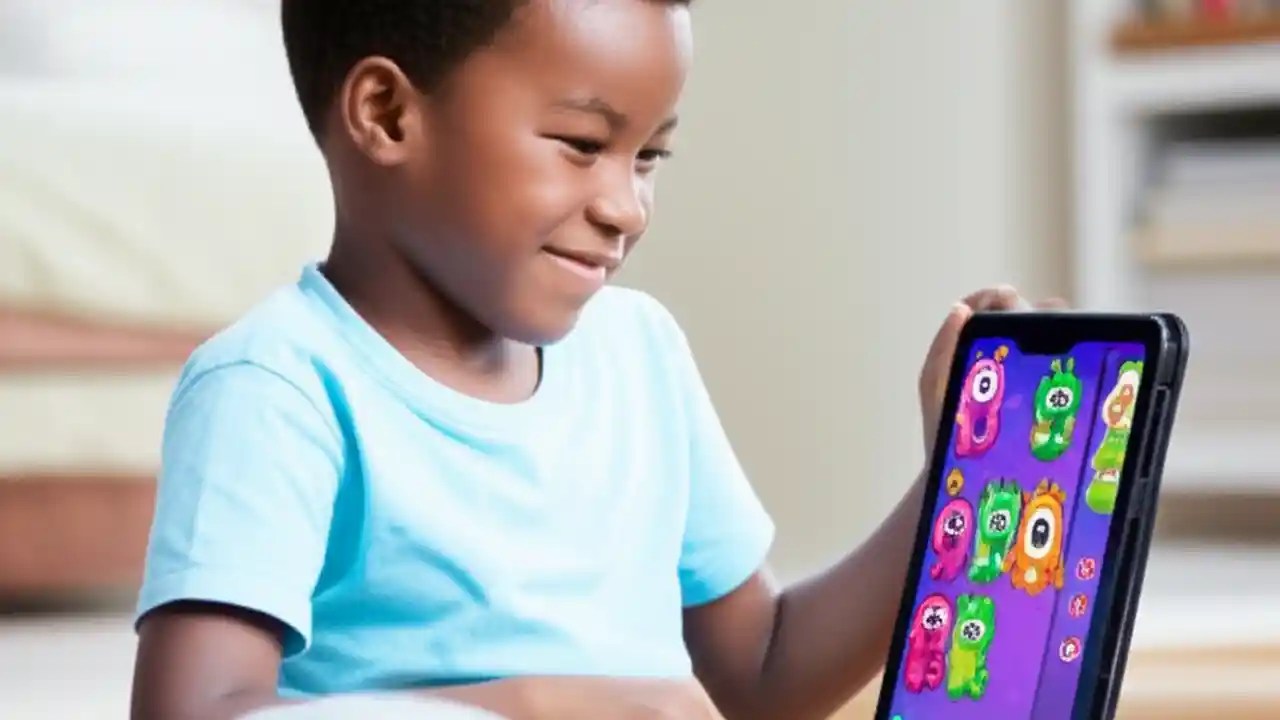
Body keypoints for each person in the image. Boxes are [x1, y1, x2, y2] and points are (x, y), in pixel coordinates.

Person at [129, 1, 1053, 718]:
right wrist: (537, 706)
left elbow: (764, 675)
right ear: (387, 114)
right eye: (582, 146)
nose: (627, 207)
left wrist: (956, 483)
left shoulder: (639, 353)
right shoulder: (278, 388)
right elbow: (194, 711)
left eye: (647, 157)